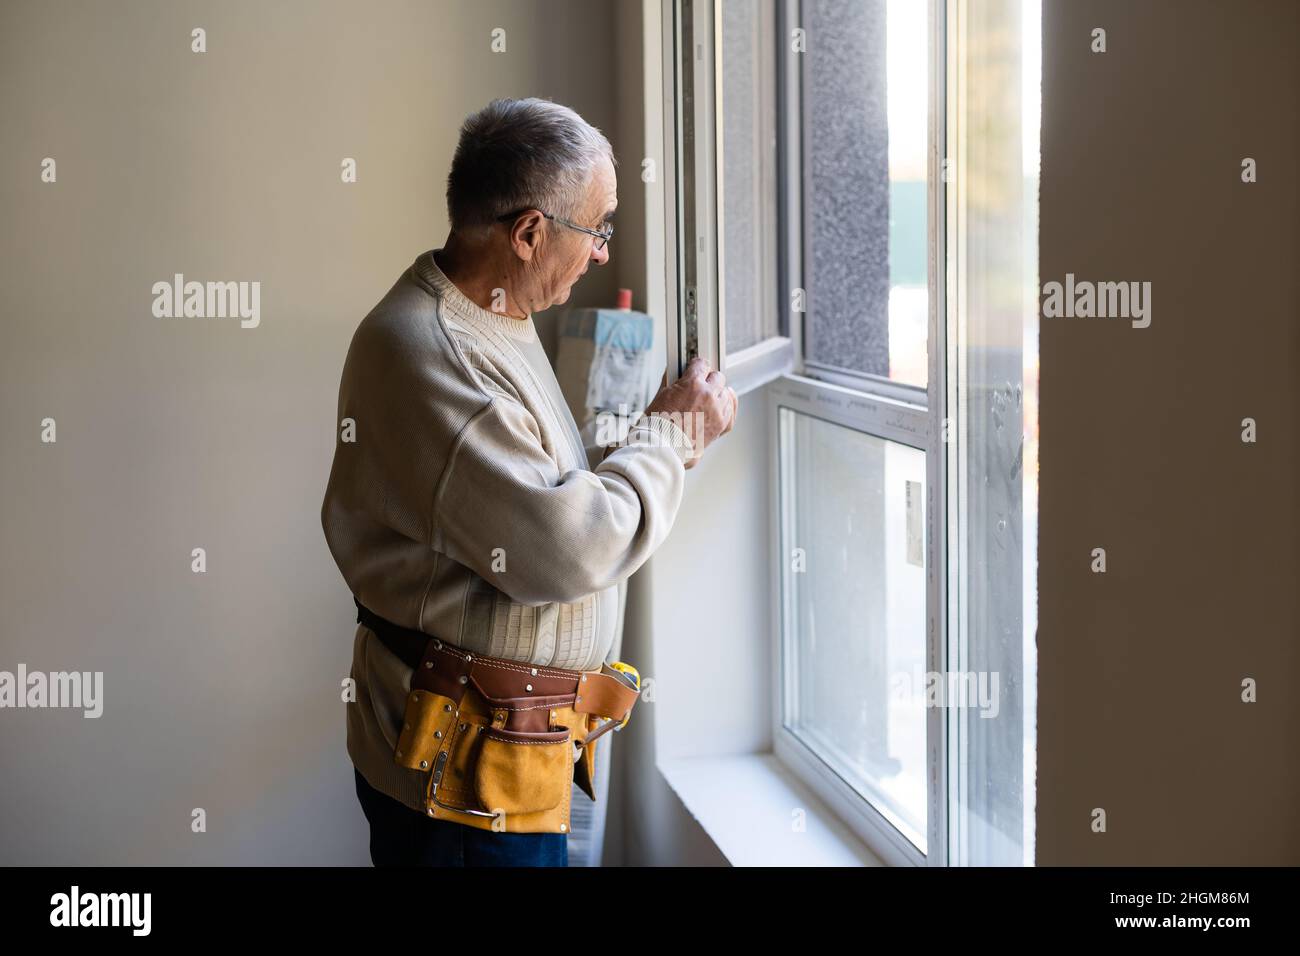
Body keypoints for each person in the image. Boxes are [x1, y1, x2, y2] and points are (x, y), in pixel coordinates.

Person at [321, 97, 736, 866]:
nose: (605, 252)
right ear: (528, 233)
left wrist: (641, 434)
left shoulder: (493, 318)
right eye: (599, 227)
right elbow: (564, 549)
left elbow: (539, 482)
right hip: (462, 789)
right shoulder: (433, 352)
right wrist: (674, 434)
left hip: (500, 767)